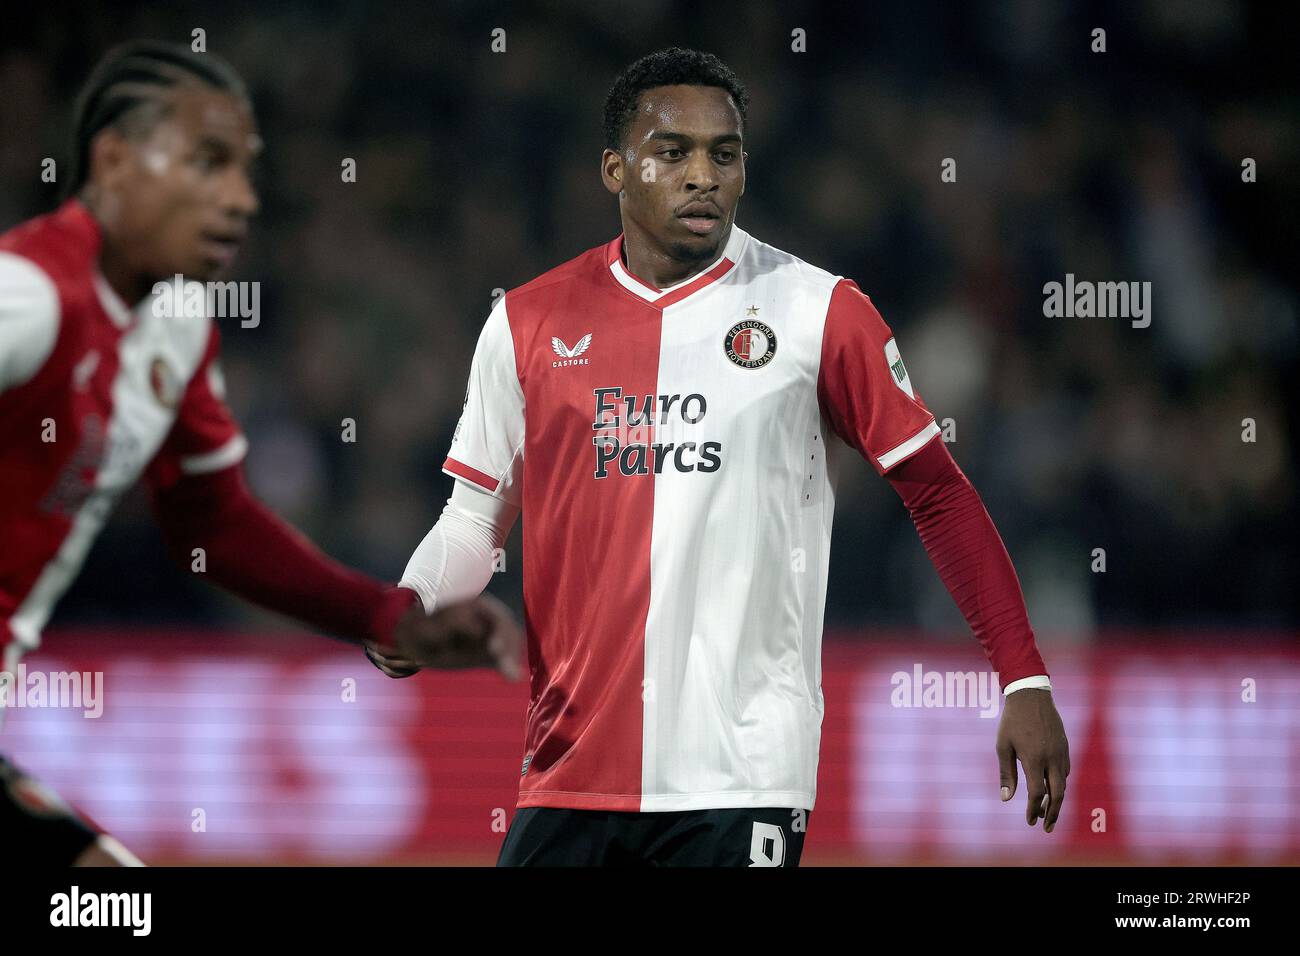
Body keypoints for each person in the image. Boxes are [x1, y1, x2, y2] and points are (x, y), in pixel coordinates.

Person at [374, 46, 1071, 867]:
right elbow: (475, 520)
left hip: (743, 776)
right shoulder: (524, 324)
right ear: (615, 169)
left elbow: (938, 496)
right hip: (567, 771)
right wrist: (412, 603)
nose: (702, 175)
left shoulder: (820, 313)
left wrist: (1023, 679)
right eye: (673, 153)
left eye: (724, 154)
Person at [0, 41, 522, 866]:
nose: (241, 200)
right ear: (113, 160)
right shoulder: (26, 300)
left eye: (246, 171)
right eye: (209, 164)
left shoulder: (171, 327)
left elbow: (215, 525)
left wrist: (390, 617)